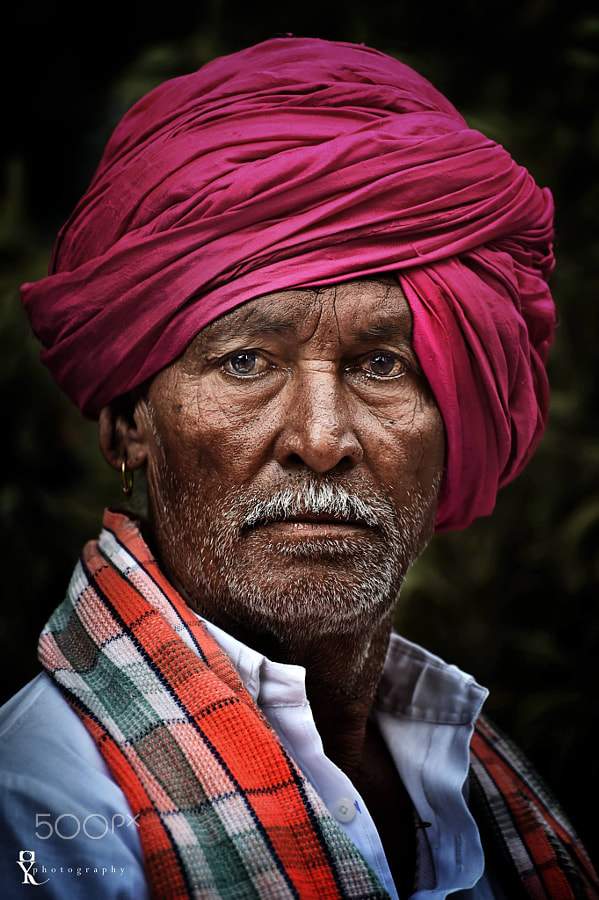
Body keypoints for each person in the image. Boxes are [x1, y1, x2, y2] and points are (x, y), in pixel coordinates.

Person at [0, 36, 596, 900]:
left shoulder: (470, 775)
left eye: (382, 364)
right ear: (129, 423)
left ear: (460, 415)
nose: (320, 439)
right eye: (246, 361)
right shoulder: (39, 811)